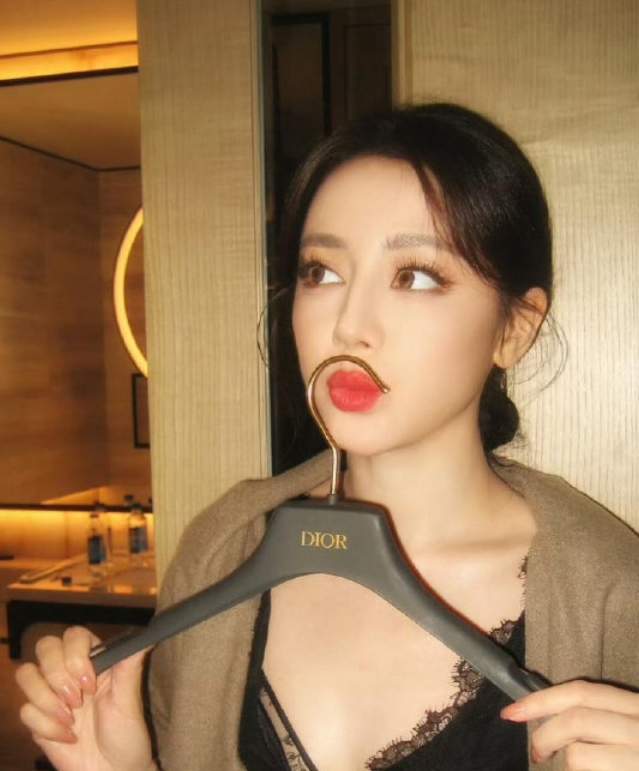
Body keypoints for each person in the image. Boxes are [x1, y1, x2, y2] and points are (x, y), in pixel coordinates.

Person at [15, 104, 639, 771]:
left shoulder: (608, 595)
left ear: (514, 328)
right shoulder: (222, 551)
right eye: (321, 272)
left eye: (415, 276)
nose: (347, 325)